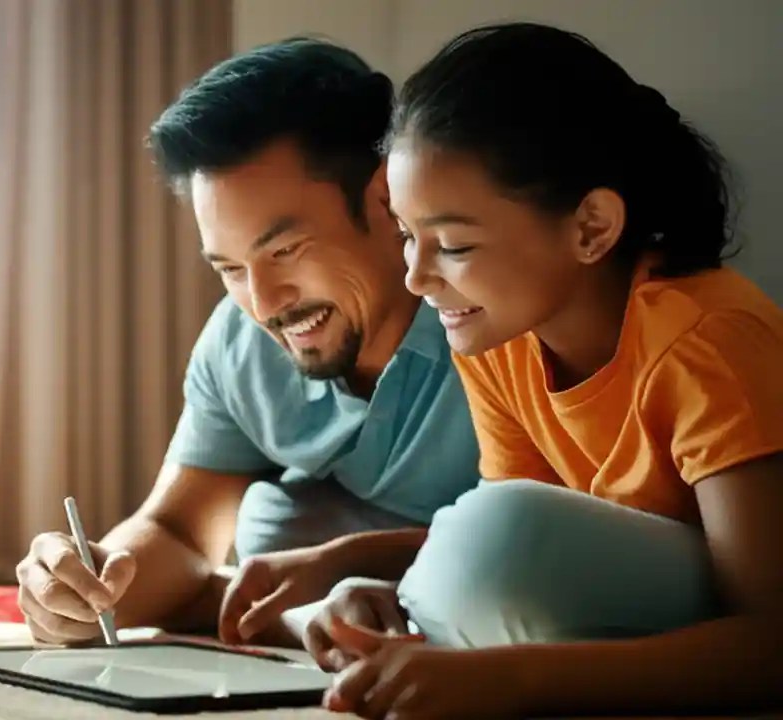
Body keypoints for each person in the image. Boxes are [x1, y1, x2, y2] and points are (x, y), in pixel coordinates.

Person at [298, 22, 783, 718]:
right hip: (631, 614)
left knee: (497, 533)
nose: (415, 279)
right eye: (407, 237)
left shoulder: (707, 341)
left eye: (455, 245)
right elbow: (534, 556)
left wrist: (510, 678)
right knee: (485, 538)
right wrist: (392, 594)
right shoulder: (496, 336)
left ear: (591, 228)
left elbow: (774, 644)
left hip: (740, 627)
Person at [14, 38, 480, 646]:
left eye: (284, 250)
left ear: (386, 199)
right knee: (273, 525)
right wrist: (90, 585)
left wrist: (347, 559)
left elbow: (566, 534)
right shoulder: (240, 344)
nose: (263, 305)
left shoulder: (491, 313)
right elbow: (182, 532)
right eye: (230, 269)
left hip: (503, 613)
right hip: (337, 628)